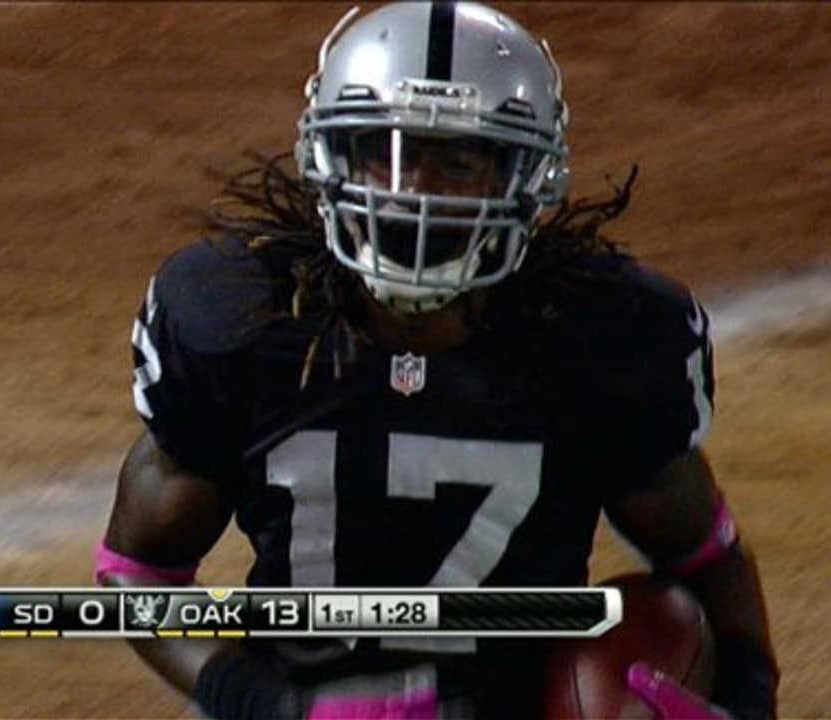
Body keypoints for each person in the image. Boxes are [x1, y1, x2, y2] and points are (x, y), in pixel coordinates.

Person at [97, 3, 779, 718]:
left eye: (460, 162)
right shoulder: (242, 323)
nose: (418, 190)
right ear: (327, 159)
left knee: (664, 626)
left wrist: (749, 702)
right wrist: (267, 704)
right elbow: (137, 574)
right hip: (292, 703)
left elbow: (705, 557)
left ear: (527, 177)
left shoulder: (604, 338)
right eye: (386, 152)